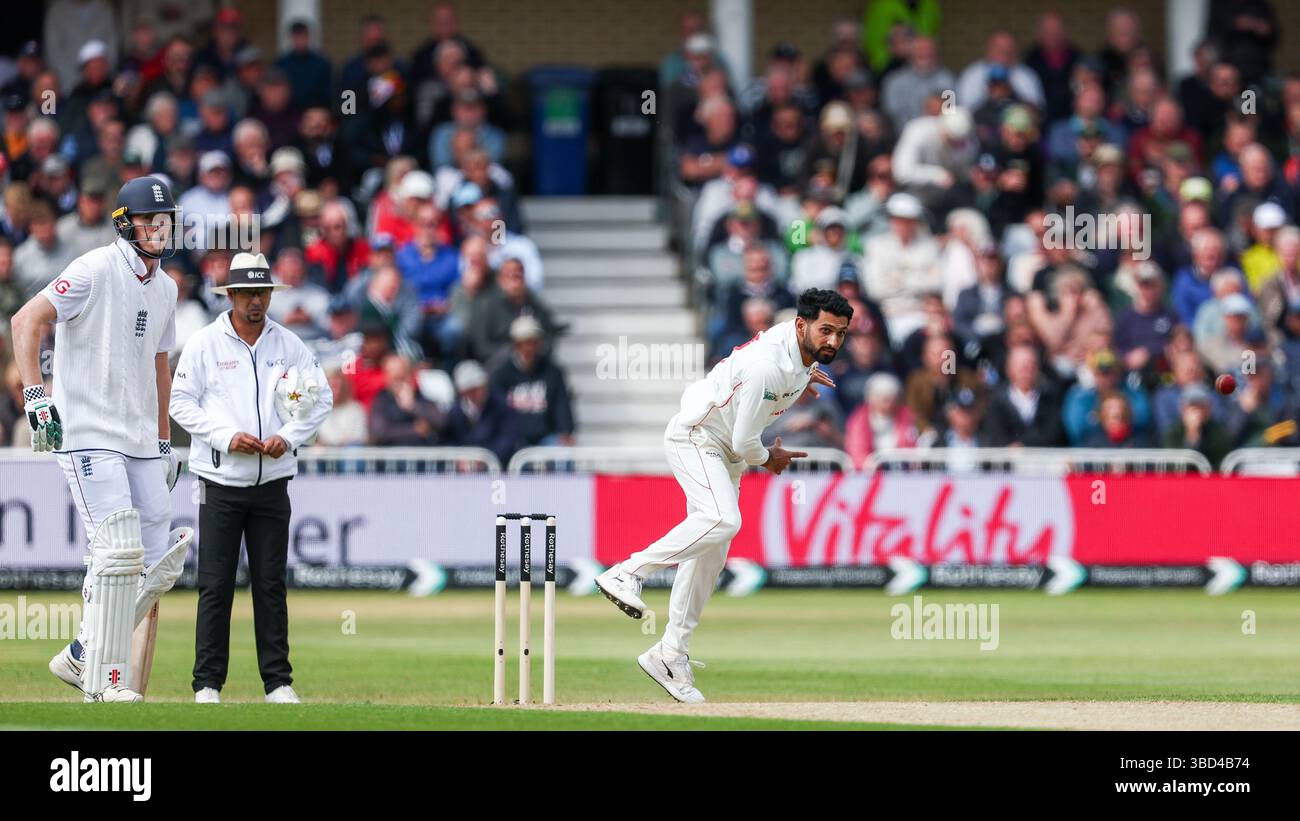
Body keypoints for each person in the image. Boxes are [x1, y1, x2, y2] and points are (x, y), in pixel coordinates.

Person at [593, 289, 852, 703]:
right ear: (801, 325)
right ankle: (628, 572)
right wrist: (771, 458)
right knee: (724, 519)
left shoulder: (800, 354)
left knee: (711, 553)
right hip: (697, 437)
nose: (833, 342)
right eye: (826, 331)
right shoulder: (768, 367)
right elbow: (748, 442)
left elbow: (783, 379)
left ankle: (670, 653)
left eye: (840, 334)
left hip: (724, 449)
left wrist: (804, 376)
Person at [9, 176, 188, 703]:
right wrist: (37, 398)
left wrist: (162, 442)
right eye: (148, 221)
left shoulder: (168, 287)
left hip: (138, 439)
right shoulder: (93, 267)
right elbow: (26, 320)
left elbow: (160, 367)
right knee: (116, 551)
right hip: (87, 432)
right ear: (124, 224)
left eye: (165, 222)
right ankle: (104, 683)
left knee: (157, 560)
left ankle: (84, 651)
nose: (158, 230)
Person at [170, 252, 333, 704]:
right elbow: (179, 402)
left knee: (270, 584)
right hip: (220, 482)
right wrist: (225, 437)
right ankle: (207, 684)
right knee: (216, 584)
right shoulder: (205, 342)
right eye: (248, 293)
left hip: (273, 481)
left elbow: (321, 399)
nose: (256, 301)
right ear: (232, 295)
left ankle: (278, 683)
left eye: (263, 293)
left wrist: (288, 435)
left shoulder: (290, 345)